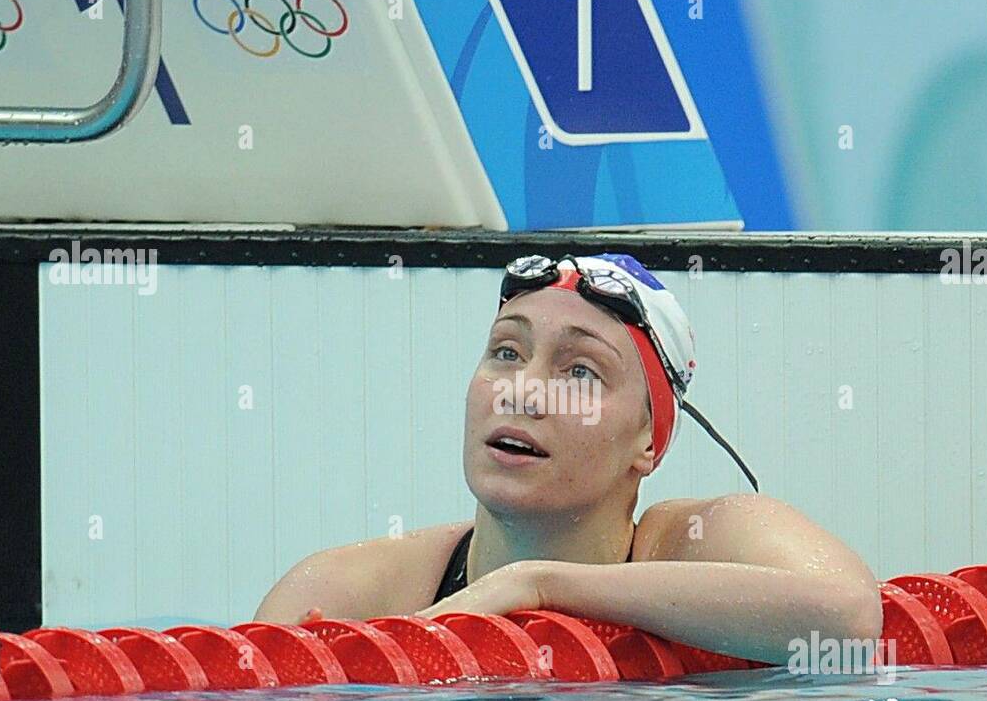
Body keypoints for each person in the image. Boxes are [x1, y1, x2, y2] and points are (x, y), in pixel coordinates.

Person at [257, 253, 881, 663]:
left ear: (650, 441)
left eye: (580, 371)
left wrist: (540, 585)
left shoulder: (703, 537)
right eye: (506, 352)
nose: (522, 390)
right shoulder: (347, 591)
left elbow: (849, 620)